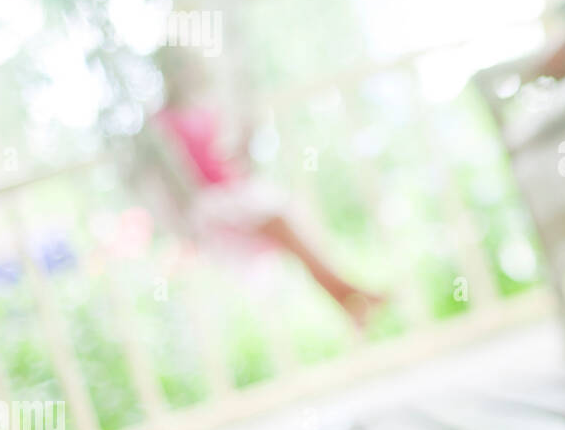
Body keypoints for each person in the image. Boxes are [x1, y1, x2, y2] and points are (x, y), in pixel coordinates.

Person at [149, 45, 388, 331]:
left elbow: (224, 153)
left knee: (292, 232)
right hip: (213, 207)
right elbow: (172, 179)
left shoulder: (207, 109)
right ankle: (349, 295)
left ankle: (348, 299)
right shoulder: (162, 123)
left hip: (239, 193)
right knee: (285, 229)